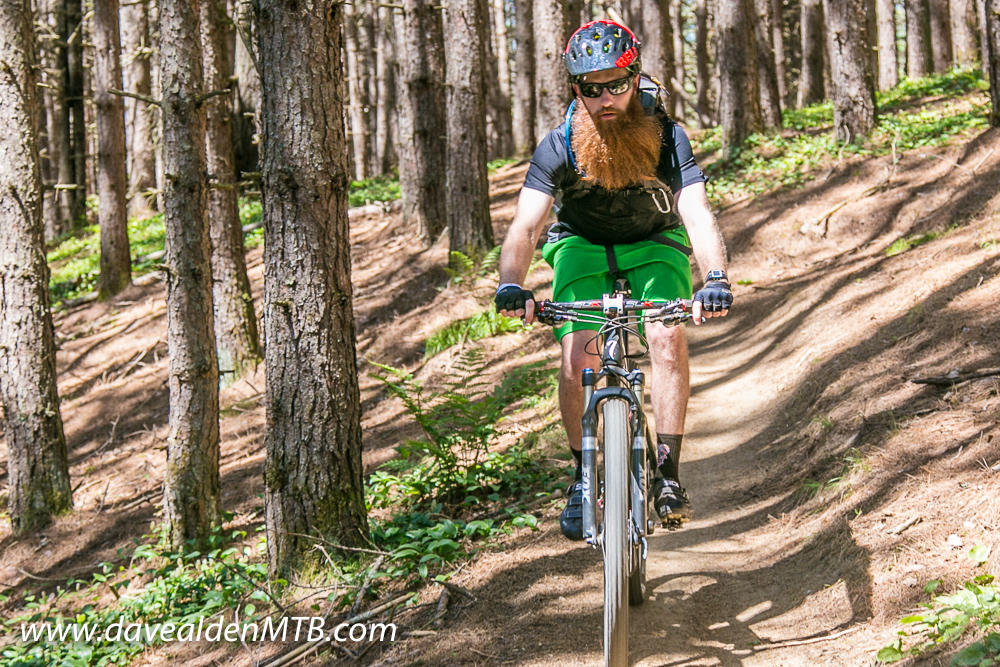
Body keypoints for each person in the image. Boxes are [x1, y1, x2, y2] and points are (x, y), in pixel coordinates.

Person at [494, 20, 732, 541]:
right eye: (591, 87)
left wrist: (715, 276)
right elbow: (526, 225)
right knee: (577, 357)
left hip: (654, 242)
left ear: (635, 77)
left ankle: (668, 472)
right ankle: (583, 476)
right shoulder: (559, 144)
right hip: (580, 245)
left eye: (617, 85)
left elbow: (695, 211)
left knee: (666, 337)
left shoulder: (667, 136)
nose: (605, 99)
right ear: (575, 88)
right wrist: (511, 283)